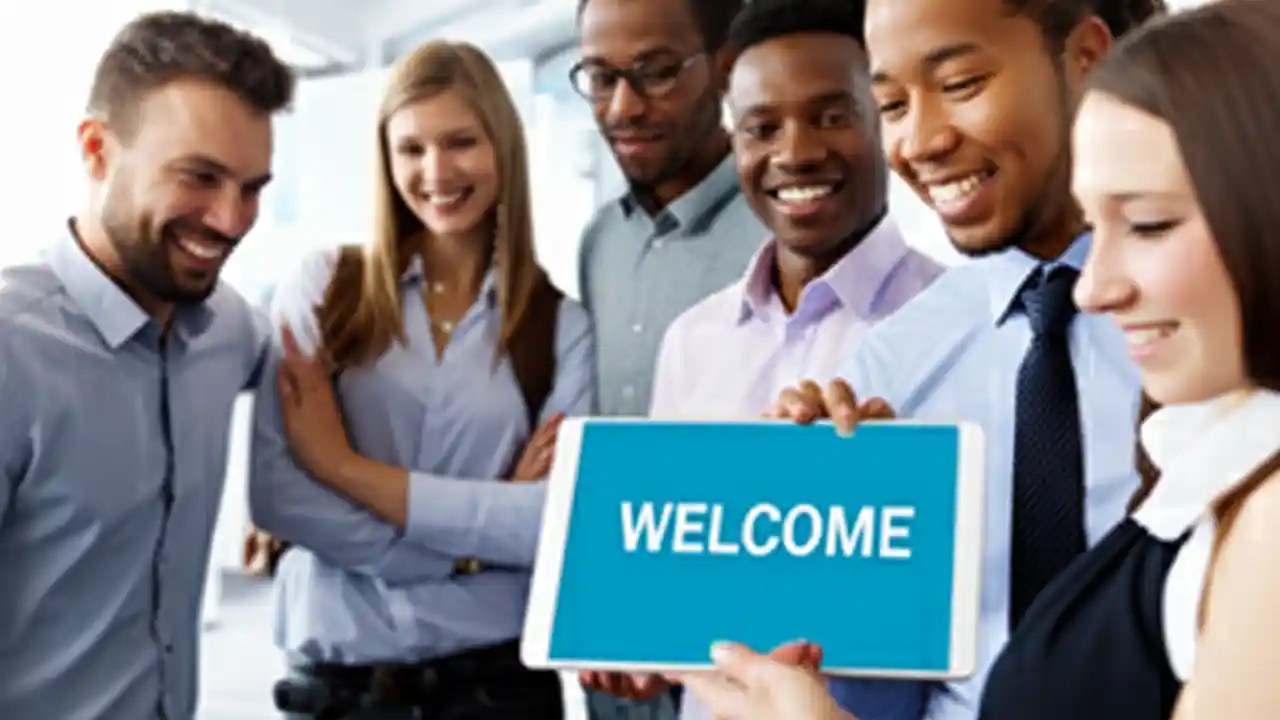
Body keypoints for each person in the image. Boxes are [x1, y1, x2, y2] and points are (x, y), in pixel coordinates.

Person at [670, 3, 1280, 718]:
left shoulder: (1196, 357)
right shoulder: (893, 366)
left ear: (1086, 56)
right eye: (891, 105)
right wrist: (837, 577)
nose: (920, 141)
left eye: (960, 84)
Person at [247, 39, 593, 720]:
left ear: (502, 147)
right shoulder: (323, 288)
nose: (436, 171)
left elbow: (550, 520)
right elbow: (281, 496)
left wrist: (341, 466)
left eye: (461, 142)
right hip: (337, 690)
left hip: (496, 692)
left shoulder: (560, 328)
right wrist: (465, 549)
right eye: (411, 148)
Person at [0, 11, 294, 719]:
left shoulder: (230, 330)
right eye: (200, 177)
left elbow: (339, 374)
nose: (230, 220)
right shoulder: (11, 352)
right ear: (97, 150)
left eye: (252, 187)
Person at [573, 0, 764, 716]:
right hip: (614, 643)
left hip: (738, 652)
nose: (623, 107)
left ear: (724, 69)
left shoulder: (782, 227)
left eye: (655, 72)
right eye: (600, 77)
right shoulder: (601, 240)